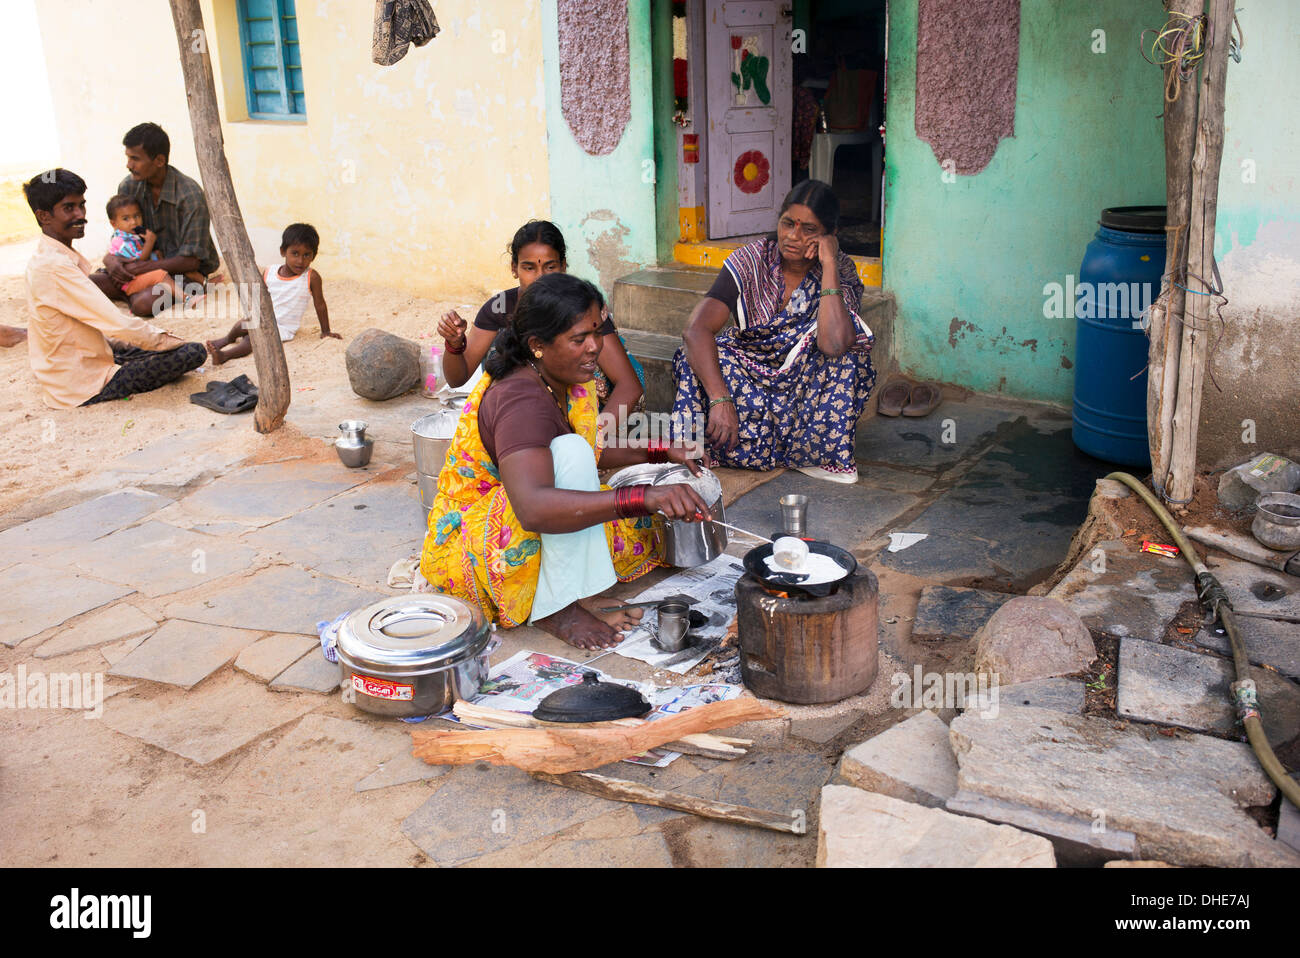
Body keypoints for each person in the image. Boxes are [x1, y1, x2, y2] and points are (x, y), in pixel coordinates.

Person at [420, 273, 710, 651]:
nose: (594, 348)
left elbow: (588, 455)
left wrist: (659, 451)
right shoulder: (520, 398)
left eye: (595, 332)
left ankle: (578, 591)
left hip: (526, 502)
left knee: (639, 530)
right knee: (621, 502)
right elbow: (534, 509)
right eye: (579, 339)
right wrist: (645, 496)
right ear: (537, 345)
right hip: (480, 537)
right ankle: (555, 607)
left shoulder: (565, 378)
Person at [672, 180, 876, 483]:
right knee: (695, 355)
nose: (793, 236)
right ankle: (706, 448)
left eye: (809, 229)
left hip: (800, 387)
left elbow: (833, 344)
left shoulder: (840, 268)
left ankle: (813, 453)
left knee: (850, 355)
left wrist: (829, 263)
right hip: (749, 381)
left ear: (829, 235)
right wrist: (719, 400)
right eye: (787, 224)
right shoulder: (751, 260)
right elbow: (696, 329)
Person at [22, 169, 205, 409]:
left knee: (142, 344)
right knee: (193, 352)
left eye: (82, 205)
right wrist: (168, 342)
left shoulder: (47, 256)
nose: (80, 215)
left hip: (74, 365)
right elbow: (117, 324)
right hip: (81, 384)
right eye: (69, 208)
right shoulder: (54, 266)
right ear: (44, 216)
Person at [436, 220, 644, 418]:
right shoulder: (499, 309)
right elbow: (457, 379)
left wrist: (594, 437)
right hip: (523, 412)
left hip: (589, 416)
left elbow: (629, 386)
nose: (540, 277)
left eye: (550, 267)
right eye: (529, 268)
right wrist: (454, 345)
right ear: (514, 268)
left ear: (563, 266)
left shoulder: (584, 307)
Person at [97, 122, 220, 317]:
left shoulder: (190, 195)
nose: (129, 165)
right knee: (89, 282)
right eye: (128, 158)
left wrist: (138, 268)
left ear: (159, 161)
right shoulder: (129, 187)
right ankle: (133, 291)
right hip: (142, 263)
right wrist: (110, 260)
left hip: (179, 270)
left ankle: (138, 293)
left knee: (143, 304)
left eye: (135, 159)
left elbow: (190, 261)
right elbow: (122, 235)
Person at [205, 223, 340, 364]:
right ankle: (228, 339)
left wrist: (326, 331)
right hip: (264, 318)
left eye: (307, 255)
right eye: (295, 253)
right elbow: (259, 298)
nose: (300, 261)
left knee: (252, 340)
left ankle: (225, 355)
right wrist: (254, 317)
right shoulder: (270, 272)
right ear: (283, 252)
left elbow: (320, 305)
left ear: (314, 256)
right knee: (242, 324)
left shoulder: (311, 277)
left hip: (282, 327)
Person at [104, 194, 181, 302]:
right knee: (160, 275)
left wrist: (155, 254)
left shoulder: (132, 235)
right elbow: (139, 262)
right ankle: (186, 298)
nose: (134, 222)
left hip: (141, 276)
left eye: (136, 216)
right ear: (114, 223)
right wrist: (150, 242)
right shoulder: (120, 241)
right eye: (126, 219)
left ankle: (205, 283)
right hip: (130, 283)